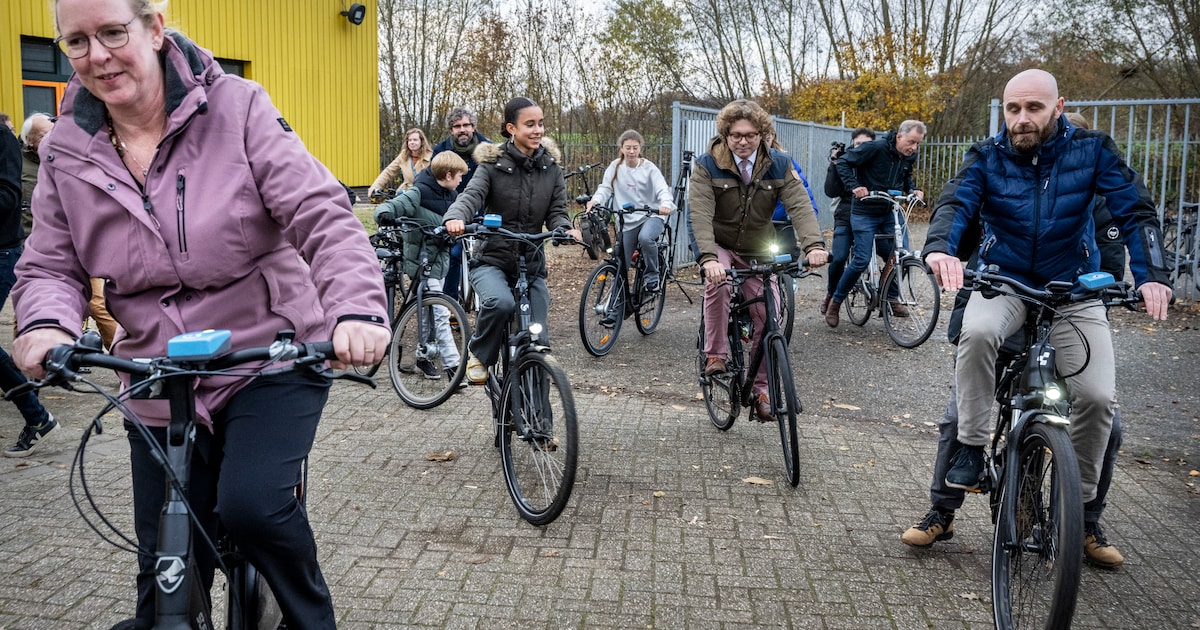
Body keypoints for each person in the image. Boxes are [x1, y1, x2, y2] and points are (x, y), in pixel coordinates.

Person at [11, 1, 391, 626]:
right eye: (76, 42)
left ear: (155, 29)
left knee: (252, 508)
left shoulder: (237, 107)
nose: (97, 56)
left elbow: (322, 215)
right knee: (167, 567)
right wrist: (45, 325)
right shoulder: (66, 151)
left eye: (112, 32)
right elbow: (50, 262)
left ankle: (310, 618)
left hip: (269, 352)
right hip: (157, 371)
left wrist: (355, 310)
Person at [917, 69, 1171, 565]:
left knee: (1098, 400)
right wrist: (940, 249)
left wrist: (1151, 274)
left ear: (1058, 106)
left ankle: (1078, 510)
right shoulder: (986, 155)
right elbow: (955, 202)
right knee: (978, 332)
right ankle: (967, 455)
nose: (1022, 118)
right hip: (1005, 282)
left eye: (1033, 107)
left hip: (1072, 291)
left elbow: (1134, 210)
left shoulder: (1093, 150)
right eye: (1013, 109)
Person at [689, 99, 829, 421]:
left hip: (756, 247)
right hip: (720, 243)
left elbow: (801, 206)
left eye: (750, 135)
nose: (742, 141)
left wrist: (813, 246)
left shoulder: (779, 163)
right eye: (736, 135)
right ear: (725, 134)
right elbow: (698, 215)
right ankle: (715, 355)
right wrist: (708, 258)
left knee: (770, 311)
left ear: (762, 134)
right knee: (720, 283)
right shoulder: (707, 164)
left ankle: (761, 389)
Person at [443, 97, 581, 385]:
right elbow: (471, 197)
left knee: (539, 340)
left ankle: (541, 426)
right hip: (492, 259)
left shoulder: (551, 168)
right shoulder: (492, 165)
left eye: (541, 124)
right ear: (511, 128)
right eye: (529, 124)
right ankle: (479, 353)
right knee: (500, 303)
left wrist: (564, 229)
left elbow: (557, 211)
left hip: (530, 265)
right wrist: (454, 218)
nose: (538, 130)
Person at [374, 151, 469, 386]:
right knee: (439, 311)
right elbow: (391, 207)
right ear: (447, 175)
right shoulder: (418, 192)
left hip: (439, 261)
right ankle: (453, 367)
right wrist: (385, 215)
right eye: (459, 176)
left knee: (427, 311)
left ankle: (423, 355)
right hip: (421, 260)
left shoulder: (452, 195)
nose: (461, 181)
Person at [826, 120, 926, 327]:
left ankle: (888, 295)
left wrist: (913, 189)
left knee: (900, 254)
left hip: (888, 211)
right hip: (864, 212)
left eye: (918, 144)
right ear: (899, 136)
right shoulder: (875, 148)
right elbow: (843, 162)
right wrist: (855, 186)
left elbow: (905, 177)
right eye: (911, 142)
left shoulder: (908, 156)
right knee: (861, 259)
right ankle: (835, 301)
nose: (914, 148)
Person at [0, 105, 56, 457]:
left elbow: (9, 197)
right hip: (26, 248)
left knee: (97, 305)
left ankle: (37, 415)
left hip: (8, 251)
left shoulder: (3, 141)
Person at [586, 129, 675, 311]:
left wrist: (665, 204)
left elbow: (662, 189)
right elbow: (605, 188)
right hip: (628, 221)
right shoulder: (616, 167)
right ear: (621, 148)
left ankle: (652, 277)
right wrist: (595, 200)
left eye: (635, 148)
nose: (632, 152)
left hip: (652, 215)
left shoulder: (649, 168)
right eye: (628, 148)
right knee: (620, 262)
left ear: (640, 148)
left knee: (645, 238)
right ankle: (615, 304)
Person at [434, 107, 492, 302]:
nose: (462, 130)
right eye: (457, 126)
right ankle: (451, 303)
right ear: (451, 130)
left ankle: (489, 302)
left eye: (466, 125)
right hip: (453, 212)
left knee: (489, 256)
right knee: (454, 254)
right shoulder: (441, 151)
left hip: (483, 211)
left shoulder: (488, 149)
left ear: (473, 127)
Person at [821, 127, 876, 314]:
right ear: (853, 144)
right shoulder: (845, 161)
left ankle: (890, 297)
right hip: (845, 215)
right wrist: (834, 165)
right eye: (858, 144)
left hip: (871, 214)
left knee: (892, 250)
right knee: (838, 258)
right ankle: (831, 294)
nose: (861, 148)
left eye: (866, 145)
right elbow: (830, 190)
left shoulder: (876, 162)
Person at [368, 127, 432, 198]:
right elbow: (389, 171)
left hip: (425, 193)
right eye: (409, 140)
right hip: (406, 192)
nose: (412, 142)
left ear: (422, 142)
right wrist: (375, 186)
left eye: (415, 140)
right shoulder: (403, 156)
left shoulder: (431, 157)